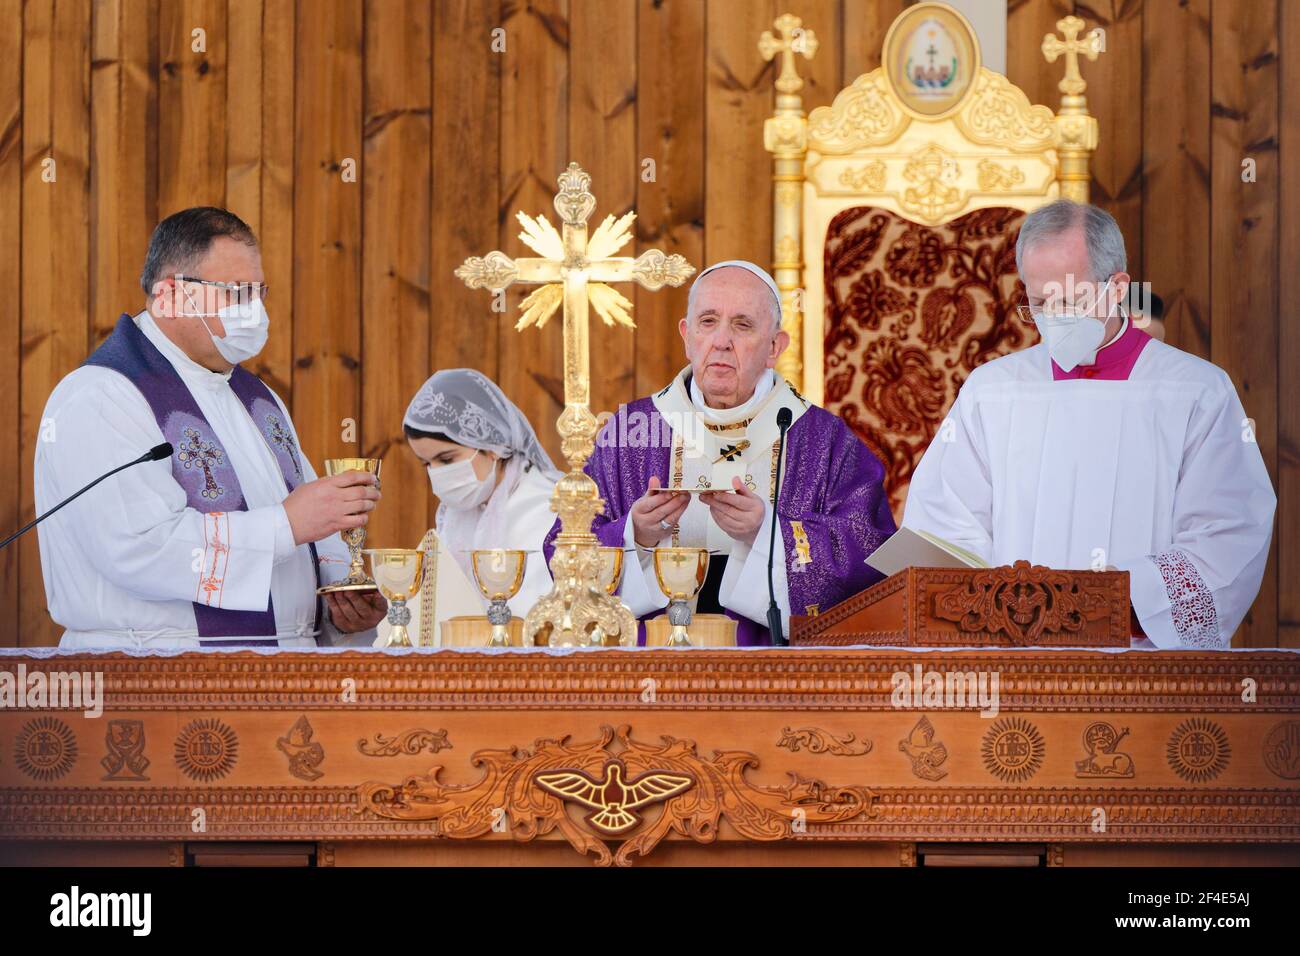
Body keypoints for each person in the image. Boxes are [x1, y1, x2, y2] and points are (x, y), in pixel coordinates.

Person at [903, 199, 1275, 649]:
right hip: (1012, 656)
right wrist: (1007, 613)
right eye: (1040, 302)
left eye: (1072, 299)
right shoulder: (993, 391)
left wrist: (1108, 607)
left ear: (1118, 287)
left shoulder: (1195, 391)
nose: (1054, 317)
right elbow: (943, 523)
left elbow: (1228, 530)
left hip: (1139, 658)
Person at [34, 207, 385, 648]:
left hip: (287, 669)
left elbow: (305, 531)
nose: (253, 310)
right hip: (156, 670)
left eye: (259, 291)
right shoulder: (102, 395)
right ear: (172, 294)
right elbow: (138, 545)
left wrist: (341, 603)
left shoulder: (256, 398)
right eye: (235, 293)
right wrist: (284, 526)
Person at [545, 260, 896, 645]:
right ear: (687, 335)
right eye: (708, 321)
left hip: (773, 674)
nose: (722, 341)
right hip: (648, 668)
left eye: (743, 325)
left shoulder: (821, 439)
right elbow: (566, 546)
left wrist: (770, 533)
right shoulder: (631, 433)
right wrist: (636, 535)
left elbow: (872, 550)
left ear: (774, 347)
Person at [399, 369, 561, 631]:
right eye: (426, 464)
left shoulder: (546, 506)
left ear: (491, 445)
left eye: (447, 459)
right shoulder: (458, 514)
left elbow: (539, 616)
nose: (437, 473)